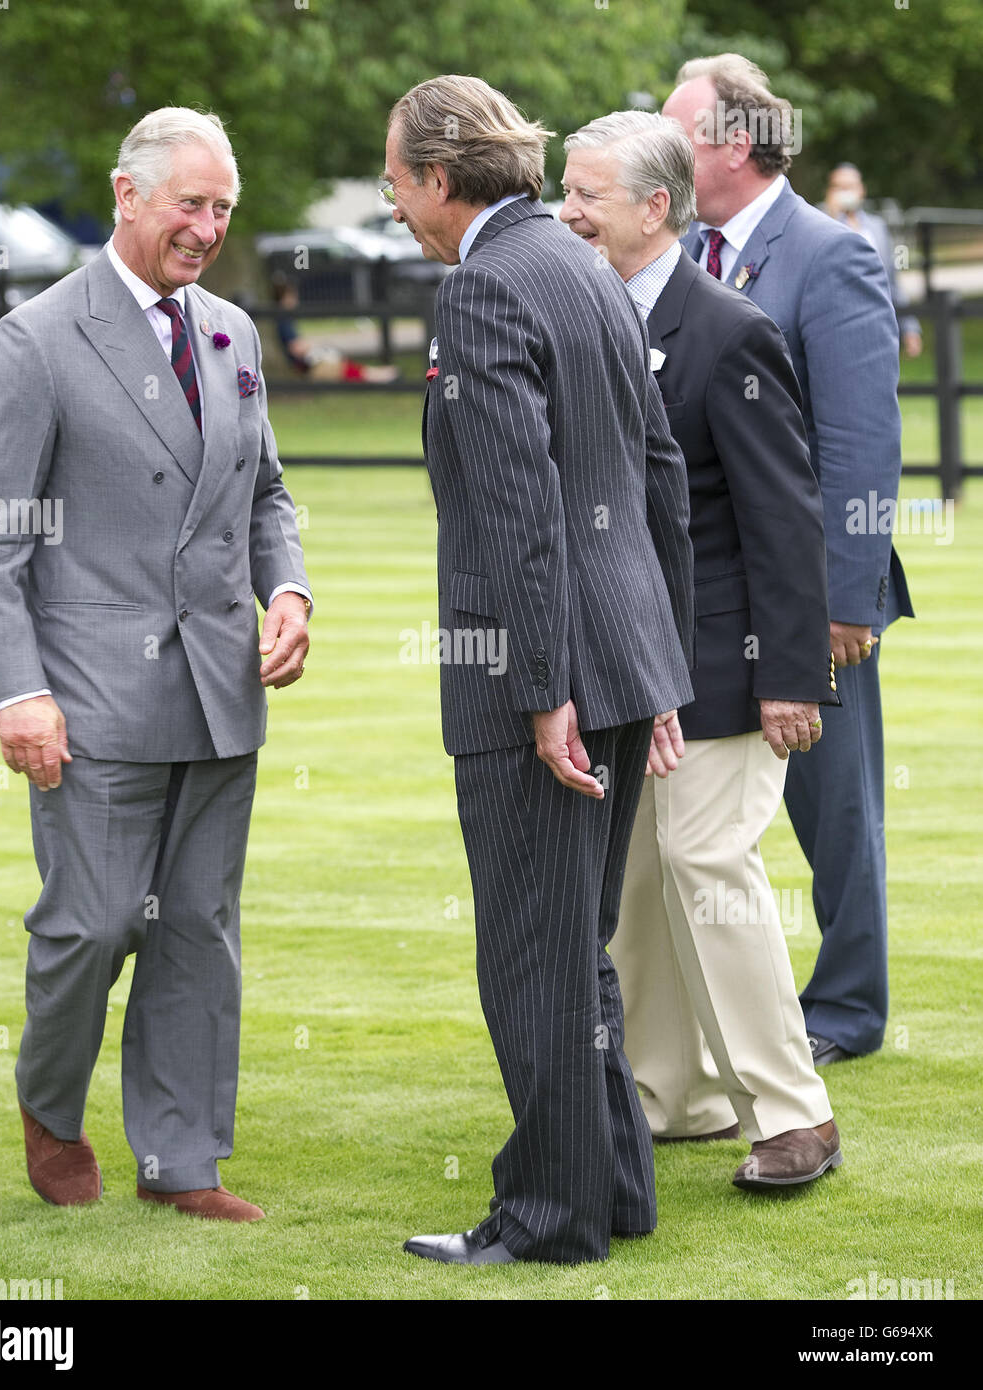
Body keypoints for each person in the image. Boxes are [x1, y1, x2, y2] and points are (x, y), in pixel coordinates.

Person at [0, 107, 312, 1221]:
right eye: (188, 204)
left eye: (222, 209)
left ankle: (182, 1161)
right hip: (88, 698)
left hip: (221, 694)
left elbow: (266, 494)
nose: (206, 228)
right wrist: (18, 692)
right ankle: (50, 1109)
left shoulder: (233, 333)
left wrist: (289, 590)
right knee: (95, 924)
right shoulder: (36, 339)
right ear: (126, 194)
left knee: (196, 931)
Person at [384, 75, 694, 1265]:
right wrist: (651, 668)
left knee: (529, 954)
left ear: (437, 177)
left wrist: (542, 691)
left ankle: (550, 1217)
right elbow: (657, 474)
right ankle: (610, 1191)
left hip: (542, 678)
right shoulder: (584, 264)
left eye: (396, 180)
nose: (394, 202)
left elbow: (519, 511)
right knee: (572, 948)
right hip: (615, 658)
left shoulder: (484, 285)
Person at [561, 109, 842, 1191]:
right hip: (621, 669)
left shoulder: (728, 332)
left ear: (654, 208)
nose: (564, 212)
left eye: (584, 194)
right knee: (637, 880)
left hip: (725, 668)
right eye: (563, 190)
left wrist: (790, 679)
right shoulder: (582, 313)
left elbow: (785, 517)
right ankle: (672, 1100)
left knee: (706, 866)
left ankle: (795, 1113)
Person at [663, 55, 913, 1064]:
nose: (660, 151)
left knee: (833, 811)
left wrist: (844, 601)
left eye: (675, 134)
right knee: (702, 818)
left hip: (810, 598)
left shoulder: (828, 254)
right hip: (707, 588)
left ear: (733, 145)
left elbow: (861, 444)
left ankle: (845, 1008)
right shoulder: (684, 251)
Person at [820, 163, 923, 357]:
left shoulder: (877, 227)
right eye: (839, 187)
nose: (845, 192)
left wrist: (910, 327)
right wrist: (833, 216)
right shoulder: (820, 223)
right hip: (837, 329)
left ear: (861, 190)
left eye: (850, 186)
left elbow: (892, 281)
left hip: (878, 327)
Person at [271, 271, 399, 383]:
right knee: (341, 367)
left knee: (342, 364)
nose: (296, 300)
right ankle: (378, 376)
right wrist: (311, 345)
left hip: (308, 363)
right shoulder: (283, 321)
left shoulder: (284, 319)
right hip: (307, 366)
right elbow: (295, 348)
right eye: (293, 296)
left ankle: (378, 374)